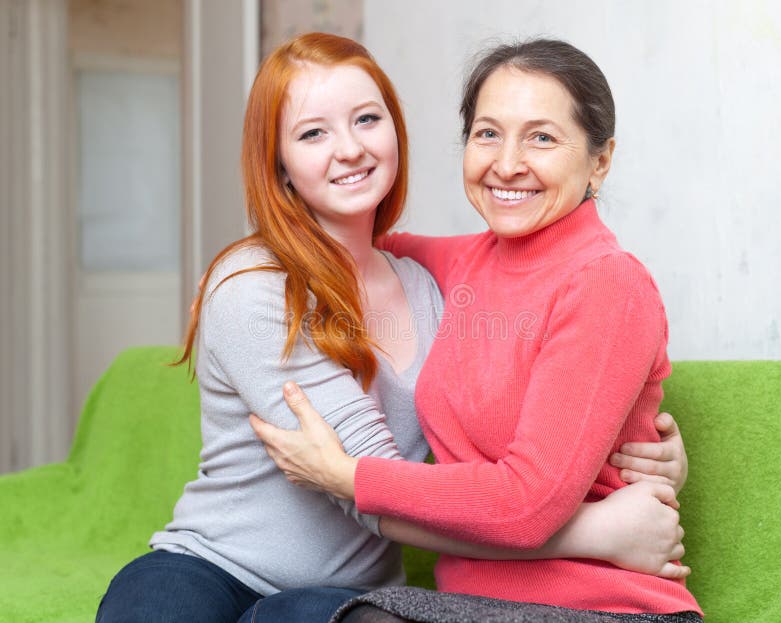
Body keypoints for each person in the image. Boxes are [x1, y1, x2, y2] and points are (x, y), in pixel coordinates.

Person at [96, 34, 691, 623]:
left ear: (600, 160)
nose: (350, 149)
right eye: (312, 133)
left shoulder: (440, 285)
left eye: (366, 119)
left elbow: (411, 477)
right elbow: (364, 478)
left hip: (360, 594)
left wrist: (643, 447)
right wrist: (601, 529)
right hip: (213, 565)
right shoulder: (268, 284)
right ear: (278, 164)